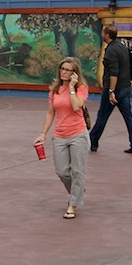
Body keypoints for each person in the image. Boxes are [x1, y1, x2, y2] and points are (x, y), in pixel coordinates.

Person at [34, 56, 90, 219]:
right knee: (62, 172)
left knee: (77, 171)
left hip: (78, 134)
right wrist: (43, 133)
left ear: (75, 73)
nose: (64, 72)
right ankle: (77, 191)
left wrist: (72, 87)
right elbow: (50, 112)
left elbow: (75, 105)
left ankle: (72, 205)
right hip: (59, 135)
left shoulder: (81, 88)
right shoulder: (54, 90)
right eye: (62, 69)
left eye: (68, 70)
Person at [89, 25, 132, 154]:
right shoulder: (122, 46)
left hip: (114, 89)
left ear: (107, 35)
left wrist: (111, 92)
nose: (102, 34)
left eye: (103, 32)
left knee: (102, 116)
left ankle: (93, 141)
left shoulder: (111, 51)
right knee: (129, 117)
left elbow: (114, 73)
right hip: (125, 87)